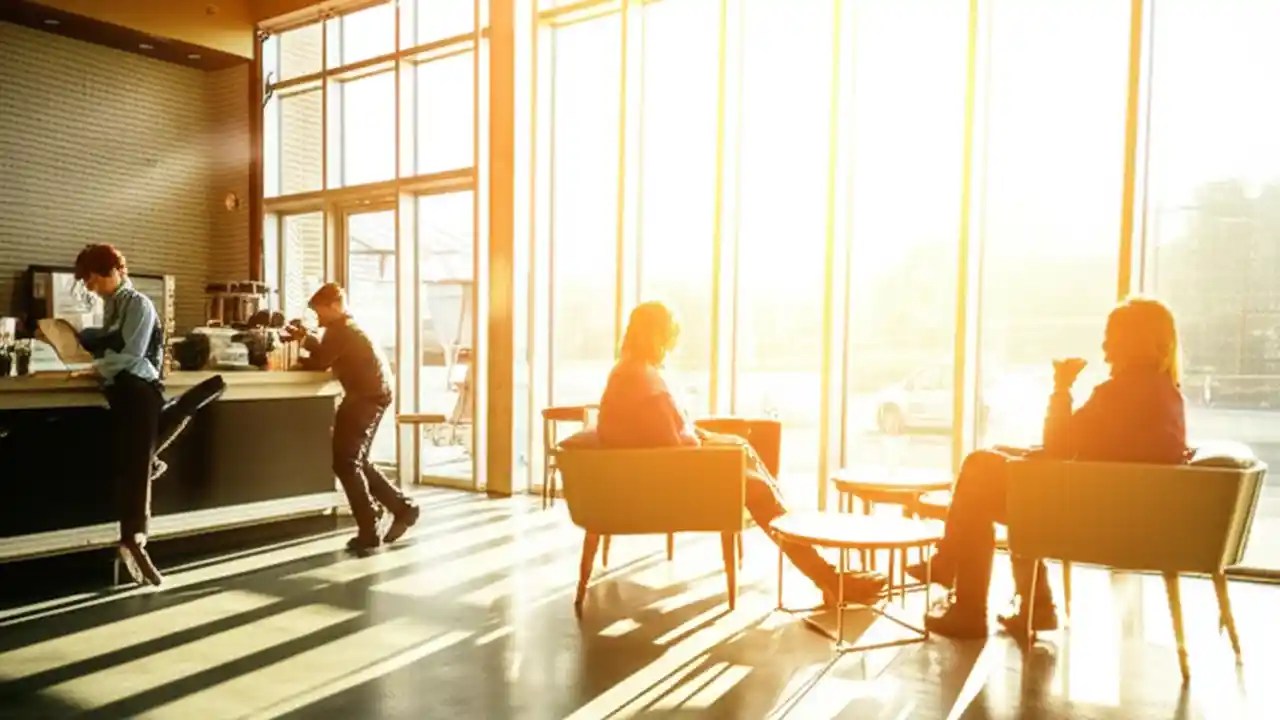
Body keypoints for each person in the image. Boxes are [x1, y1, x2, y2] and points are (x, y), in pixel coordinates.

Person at [913, 297, 1188, 638]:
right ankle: (1034, 605)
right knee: (995, 458)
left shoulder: (1119, 393)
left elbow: (1059, 443)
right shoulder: (1166, 395)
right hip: (1112, 507)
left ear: (1133, 340)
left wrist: (1061, 387)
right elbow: (1089, 448)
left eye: (1111, 335)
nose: (1104, 344)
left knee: (978, 469)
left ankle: (966, 600)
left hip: (1084, 514)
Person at [596, 301, 887, 604]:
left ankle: (826, 574)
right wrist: (705, 442)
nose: (672, 344)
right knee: (760, 492)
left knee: (748, 457)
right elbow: (670, 444)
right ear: (657, 335)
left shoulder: (628, 372)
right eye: (669, 336)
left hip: (655, 472)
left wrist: (705, 437)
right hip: (670, 481)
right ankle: (827, 577)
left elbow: (655, 434)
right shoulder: (644, 379)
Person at [65, 244, 194, 586]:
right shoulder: (114, 305)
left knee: (136, 467)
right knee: (131, 462)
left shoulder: (137, 303)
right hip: (123, 392)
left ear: (112, 272)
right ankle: (133, 534)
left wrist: (95, 367)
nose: (89, 287)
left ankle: (135, 539)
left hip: (139, 391)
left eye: (92, 279)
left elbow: (133, 354)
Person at [287, 283, 419, 554]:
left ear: (335, 306)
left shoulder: (340, 331)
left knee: (346, 463)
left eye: (320, 311)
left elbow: (320, 361)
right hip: (373, 395)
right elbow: (328, 354)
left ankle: (371, 525)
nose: (318, 318)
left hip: (364, 398)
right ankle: (402, 509)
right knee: (357, 461)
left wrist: (301, 347)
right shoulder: (348, 328)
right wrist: (306, 338)